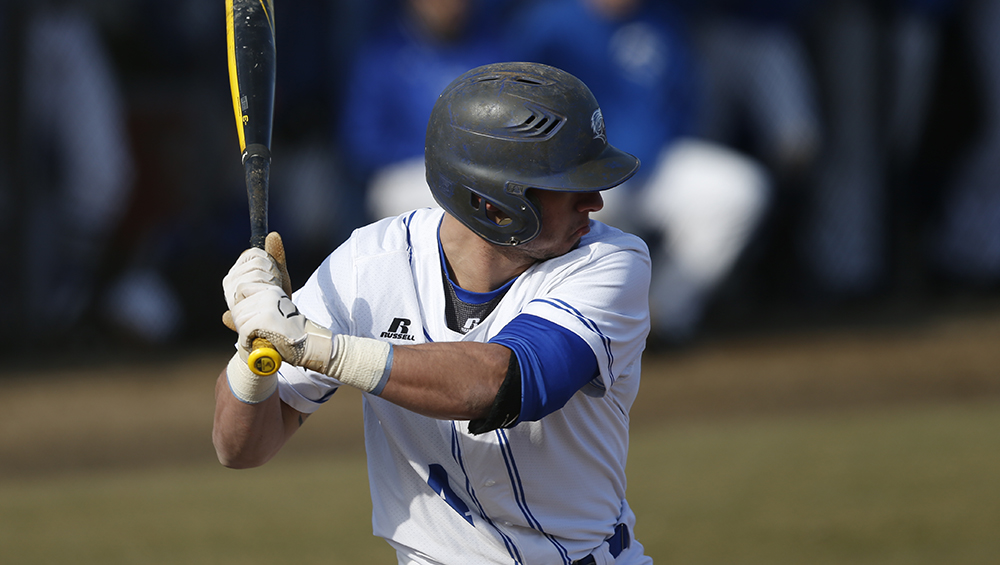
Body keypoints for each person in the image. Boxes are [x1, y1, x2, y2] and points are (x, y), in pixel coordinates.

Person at [214, 62, 653, 564]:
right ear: (495, 204)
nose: (596, 201)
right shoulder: (368, 265)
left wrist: (317, 348)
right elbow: (240, 449)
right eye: (570, 185)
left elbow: (502, 382)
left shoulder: (612, 262)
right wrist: (253, 348)